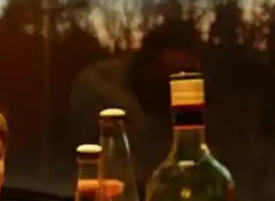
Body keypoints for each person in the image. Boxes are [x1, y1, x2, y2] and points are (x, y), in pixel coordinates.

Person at [68, 19, 202, 185]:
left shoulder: (186, 105)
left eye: (185, 75)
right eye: (165, 72)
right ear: (148, 62)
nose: (171, 86)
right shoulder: (99, 88)